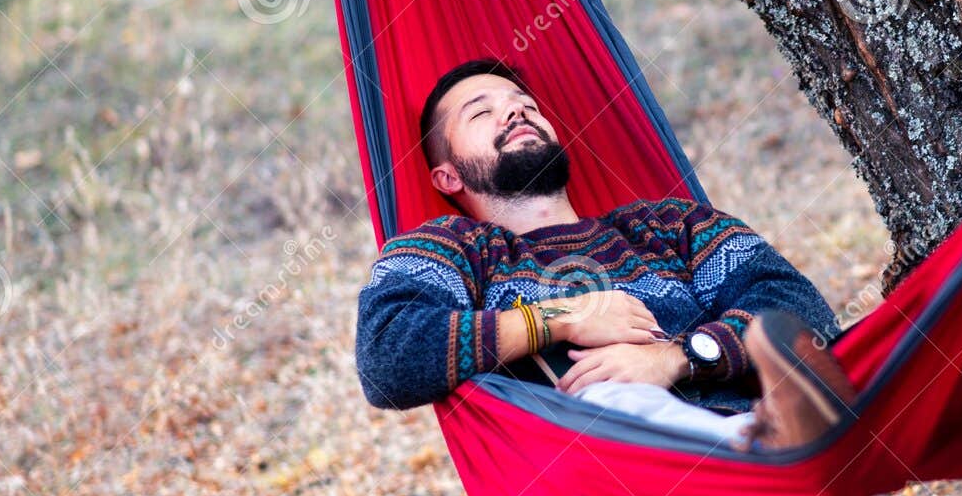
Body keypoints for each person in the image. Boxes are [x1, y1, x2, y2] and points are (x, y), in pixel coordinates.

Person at [354, 57, 858, 450]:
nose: (515, 111)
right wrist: (562, 319)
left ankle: (771, 434)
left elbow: (801, 311)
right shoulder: (452, 249)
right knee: (603, 387)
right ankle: (764, 444)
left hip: (755, 413)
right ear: (448, 177)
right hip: (616, 467)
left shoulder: (671, 223)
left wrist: (677, 358)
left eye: (525, 104)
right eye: (482, 112)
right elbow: (387, 357)